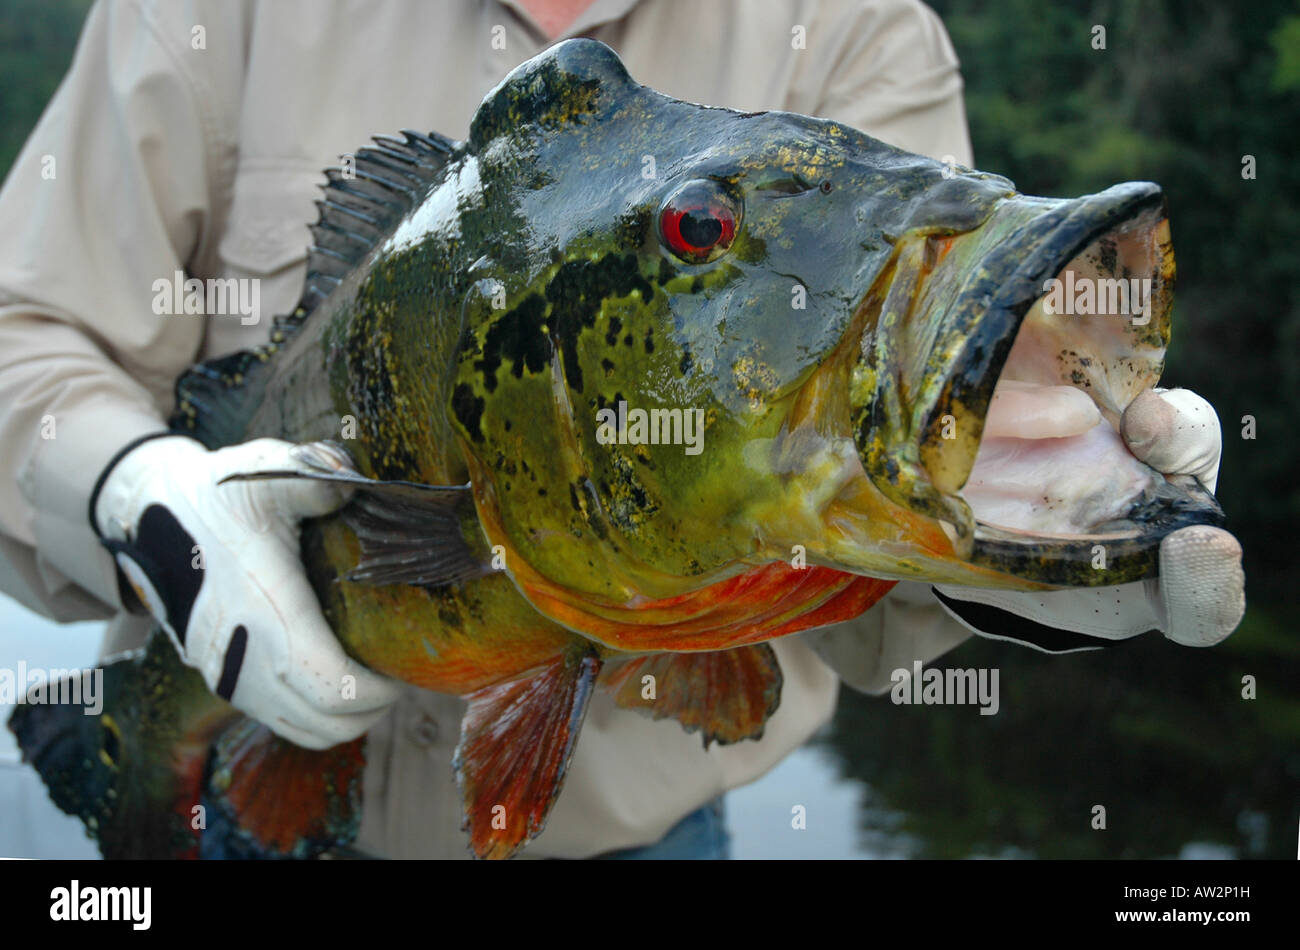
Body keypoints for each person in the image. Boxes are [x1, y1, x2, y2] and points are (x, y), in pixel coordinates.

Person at [0, 0, 1243, 859]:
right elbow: (23, 328)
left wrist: (1029, 536)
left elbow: (889, 471)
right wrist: (134, 490)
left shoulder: (857, 27)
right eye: (704, 235)